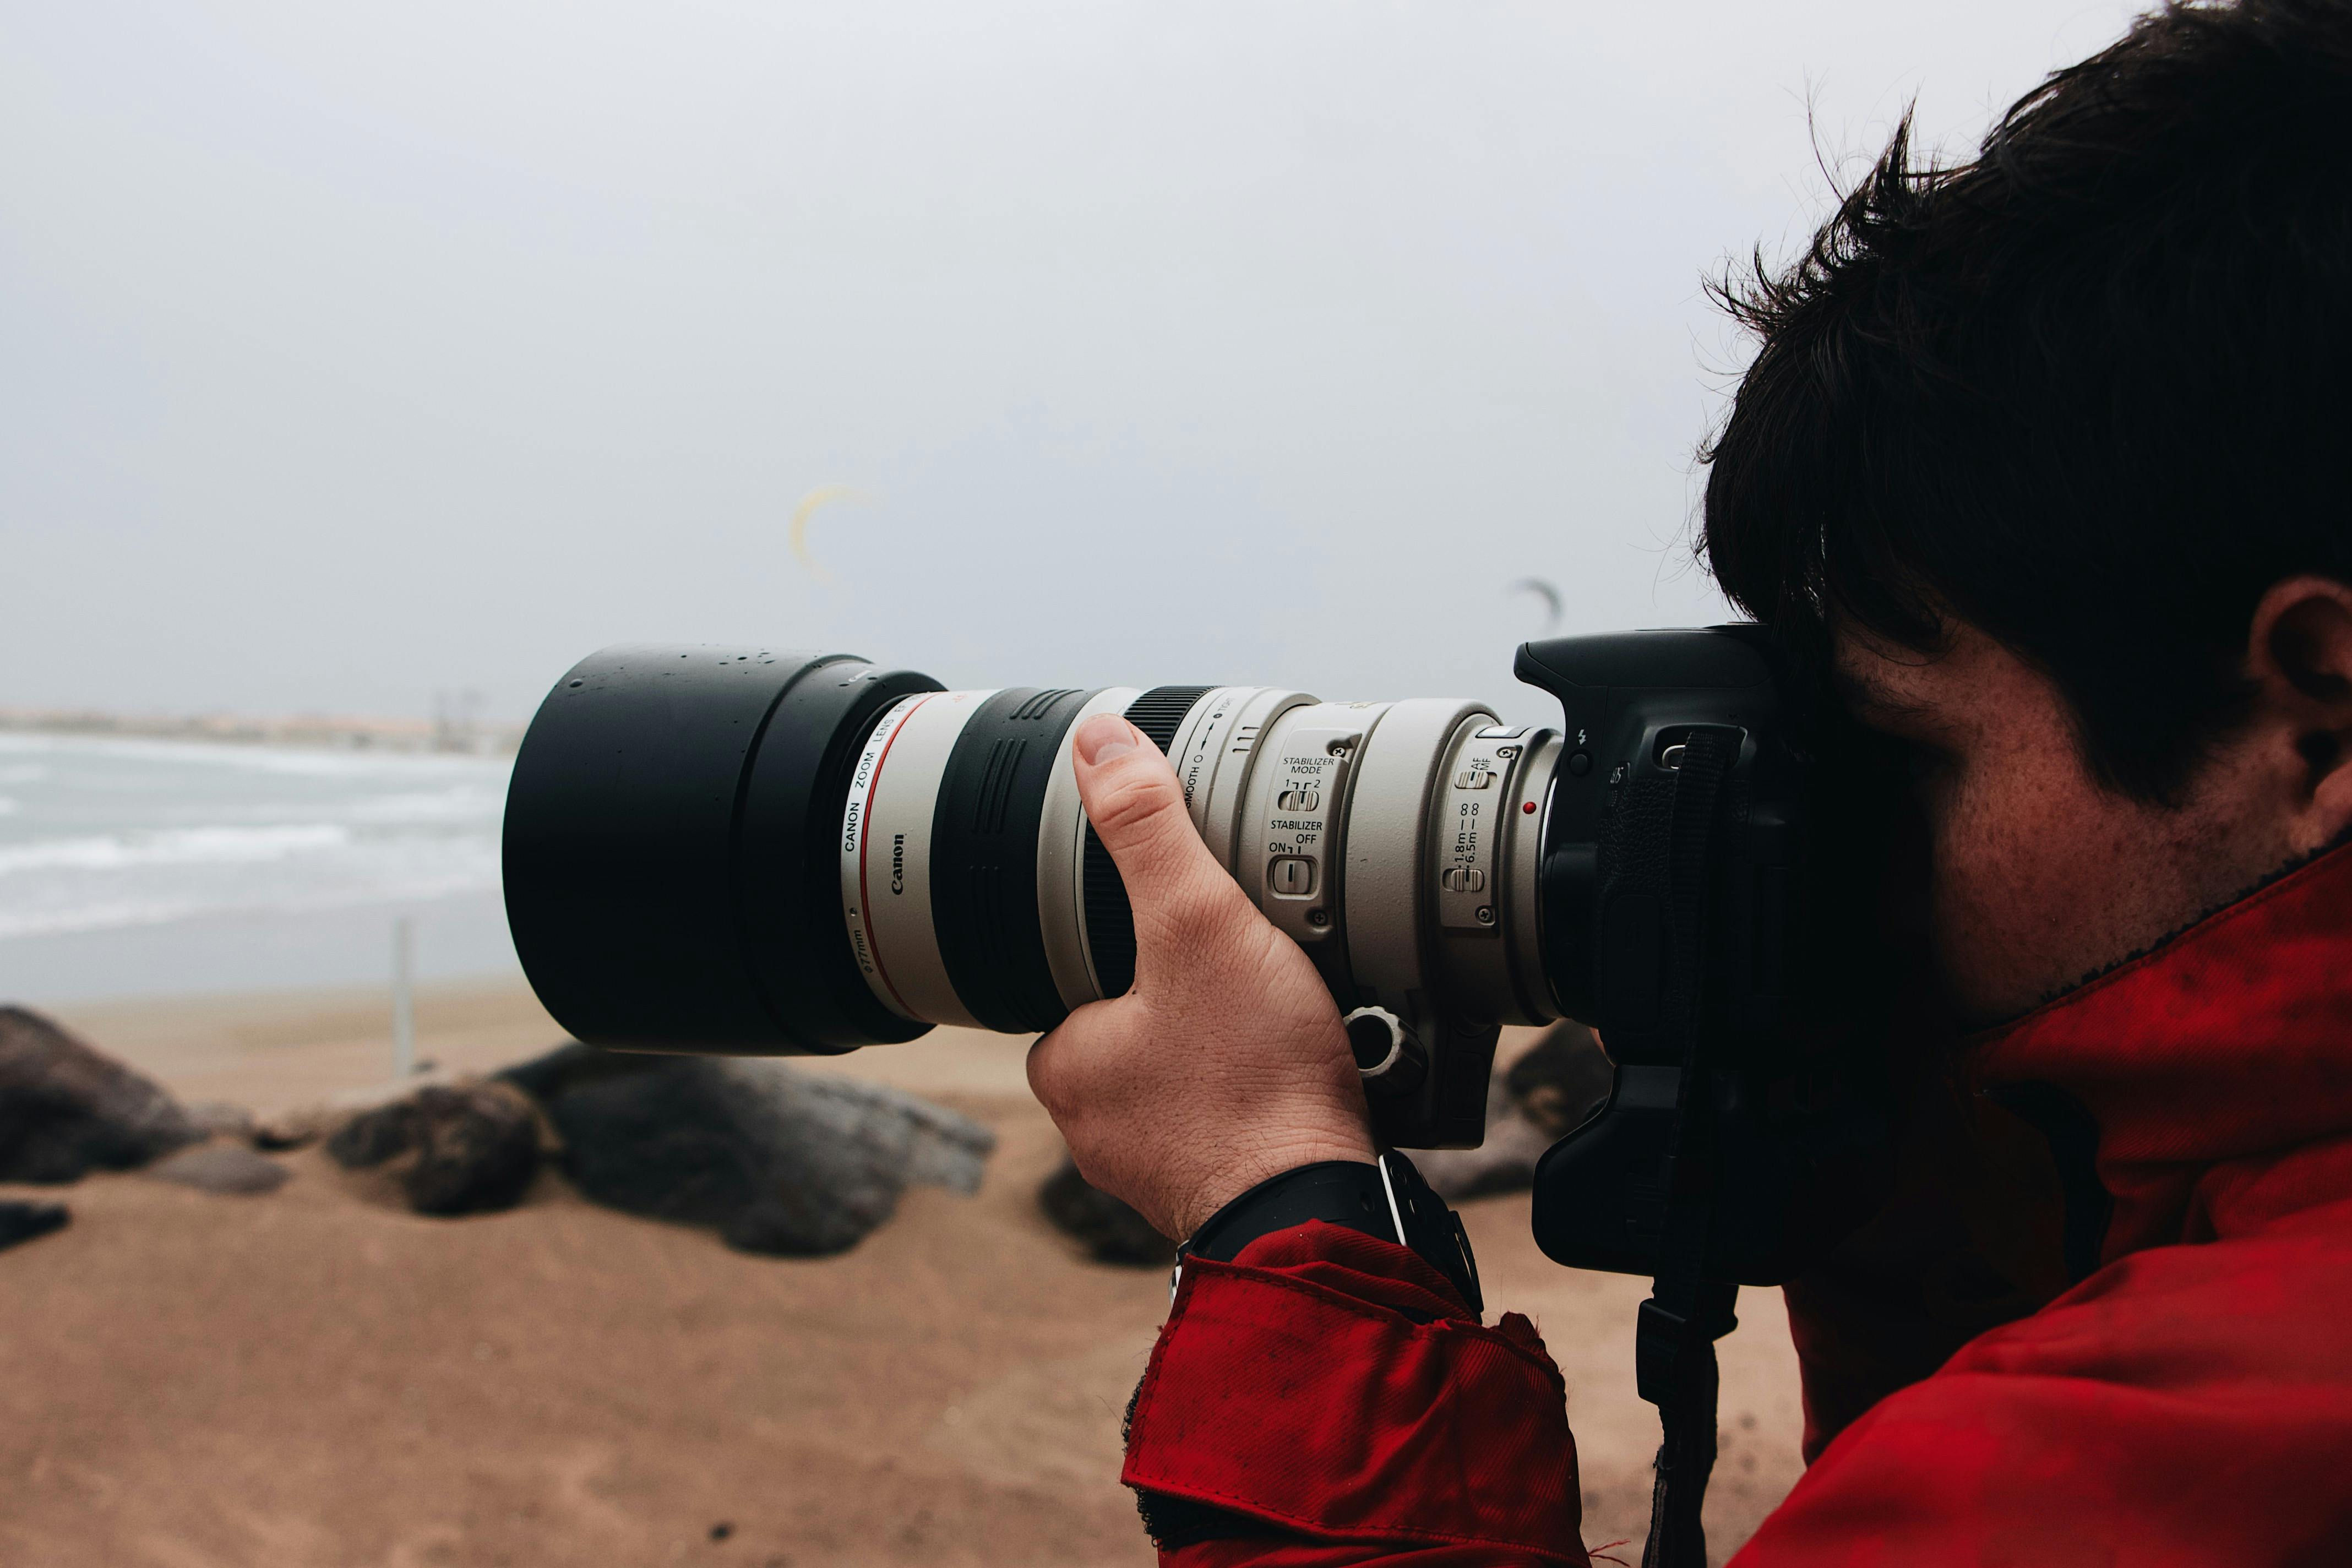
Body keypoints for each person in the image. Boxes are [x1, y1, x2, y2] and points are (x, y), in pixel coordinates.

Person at [1024, 1, 2352, 1561]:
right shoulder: (2213, 1251)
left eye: (1910, 751)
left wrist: (1275, 1203)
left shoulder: (2217, 1439)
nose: (1850, 831)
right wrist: (1914, 1198)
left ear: (2317, 723)